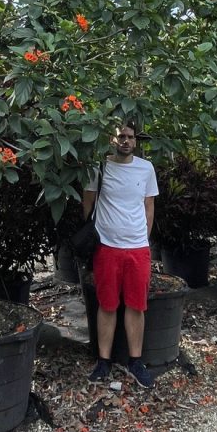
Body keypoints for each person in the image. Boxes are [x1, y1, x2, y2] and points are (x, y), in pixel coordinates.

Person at [82, 121, 158, 388]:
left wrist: (143, 237)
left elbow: (149, 205)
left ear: (136, 141)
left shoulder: (146, 168)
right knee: (107, 305)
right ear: (112, 139)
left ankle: (135, 361)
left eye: (130, 136)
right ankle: (103, 361)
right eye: (120, 136)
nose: (125, 140)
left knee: (137, 306)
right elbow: (88, 202)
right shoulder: (99, 167)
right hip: (106, 248)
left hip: (137, 249)